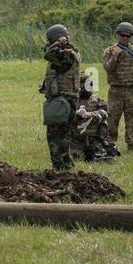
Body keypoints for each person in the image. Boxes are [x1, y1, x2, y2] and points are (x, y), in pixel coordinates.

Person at [40, 23, 83, 170]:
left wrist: (58, 42)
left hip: (64, 101)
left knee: (57, 138)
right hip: (60, 100)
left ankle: (62, 169)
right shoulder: (63, 54)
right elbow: (56, 69)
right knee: (60, 136)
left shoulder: (68, 54)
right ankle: (65, 166)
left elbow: (49, 54)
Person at [102, 21, 133, 152]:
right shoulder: (110, 51)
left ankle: (131, 145)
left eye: (128, 36)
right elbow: (107, 68)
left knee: (132, 119)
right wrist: (115, 56)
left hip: (131, 91)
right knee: (112, 119)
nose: (125, 38)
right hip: (115, 90)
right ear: (117, 35)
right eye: (122, 35)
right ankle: (110, 144)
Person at [74, 76, 119, 162]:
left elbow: (106, 112)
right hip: (76, 139)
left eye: (89, 85)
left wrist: (92, 114)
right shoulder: (72, 100)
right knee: (76, 157)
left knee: (101, 157)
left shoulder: (96, 100)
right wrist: (77, 115)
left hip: (94, 138)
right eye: (84, 85)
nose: (87, 88)